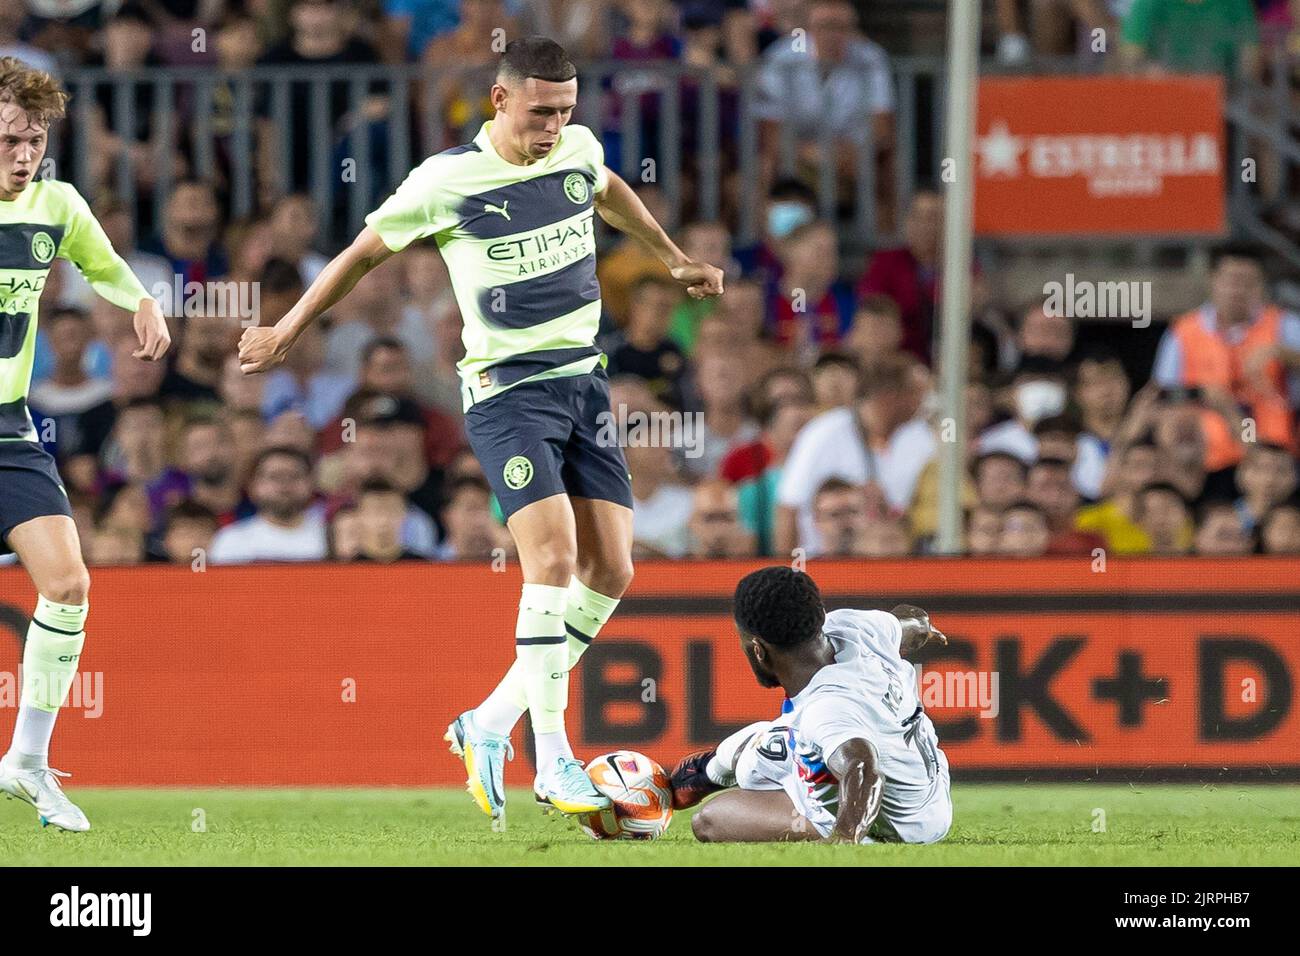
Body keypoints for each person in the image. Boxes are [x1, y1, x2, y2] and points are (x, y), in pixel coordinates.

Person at [237, 37, 723, 826]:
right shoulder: (447, 181)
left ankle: (488, 723)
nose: (553, 128)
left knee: (613, 571)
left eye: (565, 113)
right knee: (556, 559)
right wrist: (287, 329)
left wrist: (670, 257)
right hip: (508, 394)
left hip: (585, 384)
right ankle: (556, 759)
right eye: (539, 113)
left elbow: (607, 192)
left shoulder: (577, 149)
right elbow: (361, 255)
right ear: (499, 101)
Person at [0, 57, 171, 832]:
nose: (22, 156)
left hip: (9, 431)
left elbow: (105, 268)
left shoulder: (56, 203)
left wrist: (142, 304)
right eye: (8, 140)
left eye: (32, 140)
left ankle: (28, 762)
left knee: (67, 584)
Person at [671, 567, 952, 845]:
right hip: (926, 784)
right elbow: (913, 620)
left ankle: (837, 827)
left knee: (709, 819)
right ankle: (718, 767)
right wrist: (925, 628)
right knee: (776, 743)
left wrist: (844, 837)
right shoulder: (857, 626)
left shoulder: (826, 710)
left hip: (900, 828)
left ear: (759, 650)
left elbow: (863, 768)